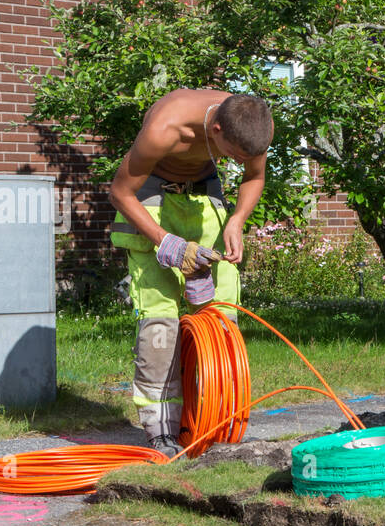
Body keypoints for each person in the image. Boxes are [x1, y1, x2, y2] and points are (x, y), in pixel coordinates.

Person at [109, 89, 273, 455]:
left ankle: (216, 421)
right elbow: (120, 192)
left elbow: (254, 177)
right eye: (234, 154)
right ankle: (161, 431)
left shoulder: (252, 124)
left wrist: (237, 219)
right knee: (161, 322)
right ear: (216, 129)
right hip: (150, 199)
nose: (239, 162)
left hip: (203, 195)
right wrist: (166, 242)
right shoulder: (166, 127)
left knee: (221, 316)